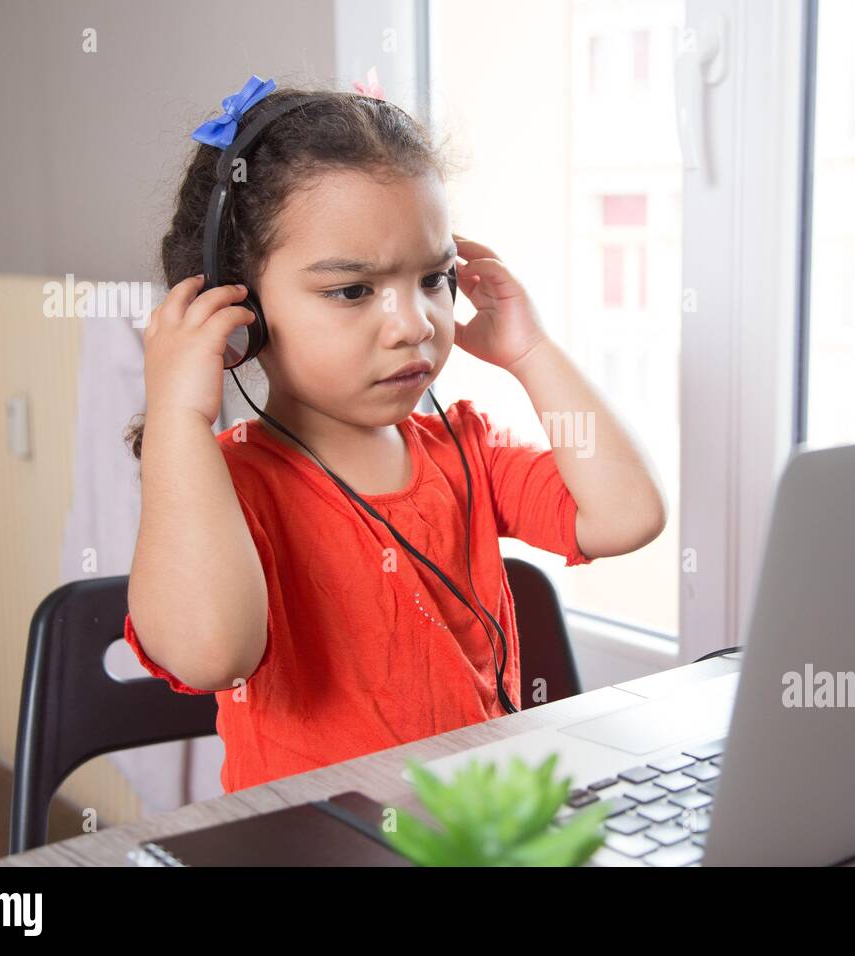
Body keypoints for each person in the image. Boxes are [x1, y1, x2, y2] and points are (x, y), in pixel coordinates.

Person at [121, 80, 668, 794]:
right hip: (313, 844)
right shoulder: (228, 487)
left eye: (435, 278)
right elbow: (210, 654)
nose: (414, 323)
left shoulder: (464, 448)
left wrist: (532, 352)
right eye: (353, 291)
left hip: (469, 828)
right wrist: (176, 418)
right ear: (241, 308)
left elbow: (629, 516)